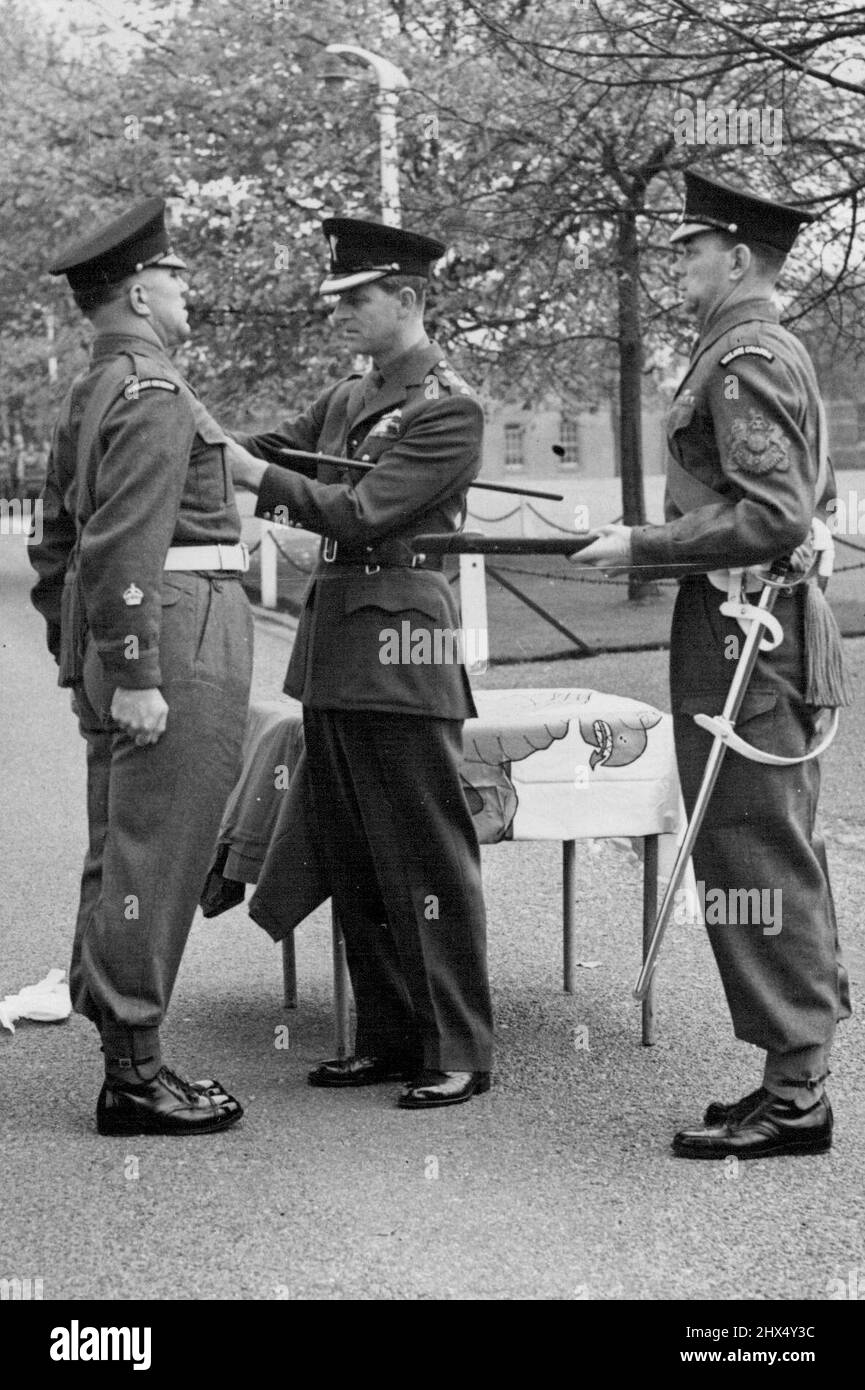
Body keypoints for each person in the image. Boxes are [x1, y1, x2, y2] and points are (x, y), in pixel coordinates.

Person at [577, 171, 852, 1160]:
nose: (679, 262)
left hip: (752, 635)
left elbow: (775, 513)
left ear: (736, 256)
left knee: (754, 852)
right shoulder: (744, 348)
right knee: (751, 847)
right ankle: (788, 1076)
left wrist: (647, 545)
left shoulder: (741, 354)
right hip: (747, 622)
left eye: (691, 247)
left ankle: (799, 1093)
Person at [229, 217, 494, 1109]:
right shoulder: (353, 393)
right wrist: (189, 431)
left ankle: (457, 1045)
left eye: (357, 298)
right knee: (355, 856)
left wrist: (252, 477)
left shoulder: (448, 406)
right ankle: (386, 1036)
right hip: (338, 652)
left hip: (404, 653)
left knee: (427, 858)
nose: (342, 312)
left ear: (408, 300)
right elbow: (276, 449)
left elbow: (360, 512)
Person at [29, 197, 253, 1136]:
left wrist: (81, 654)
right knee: (156, 854)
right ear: (136, 289)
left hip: (127, 635)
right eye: (174, 273)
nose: (184, 286)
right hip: (174, 631)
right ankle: (135, 1072)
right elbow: (120, 542)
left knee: (120, 844)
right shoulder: (153, 390)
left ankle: (125, 1048)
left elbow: (55, 549)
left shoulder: (93, 389)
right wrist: (137, 674)